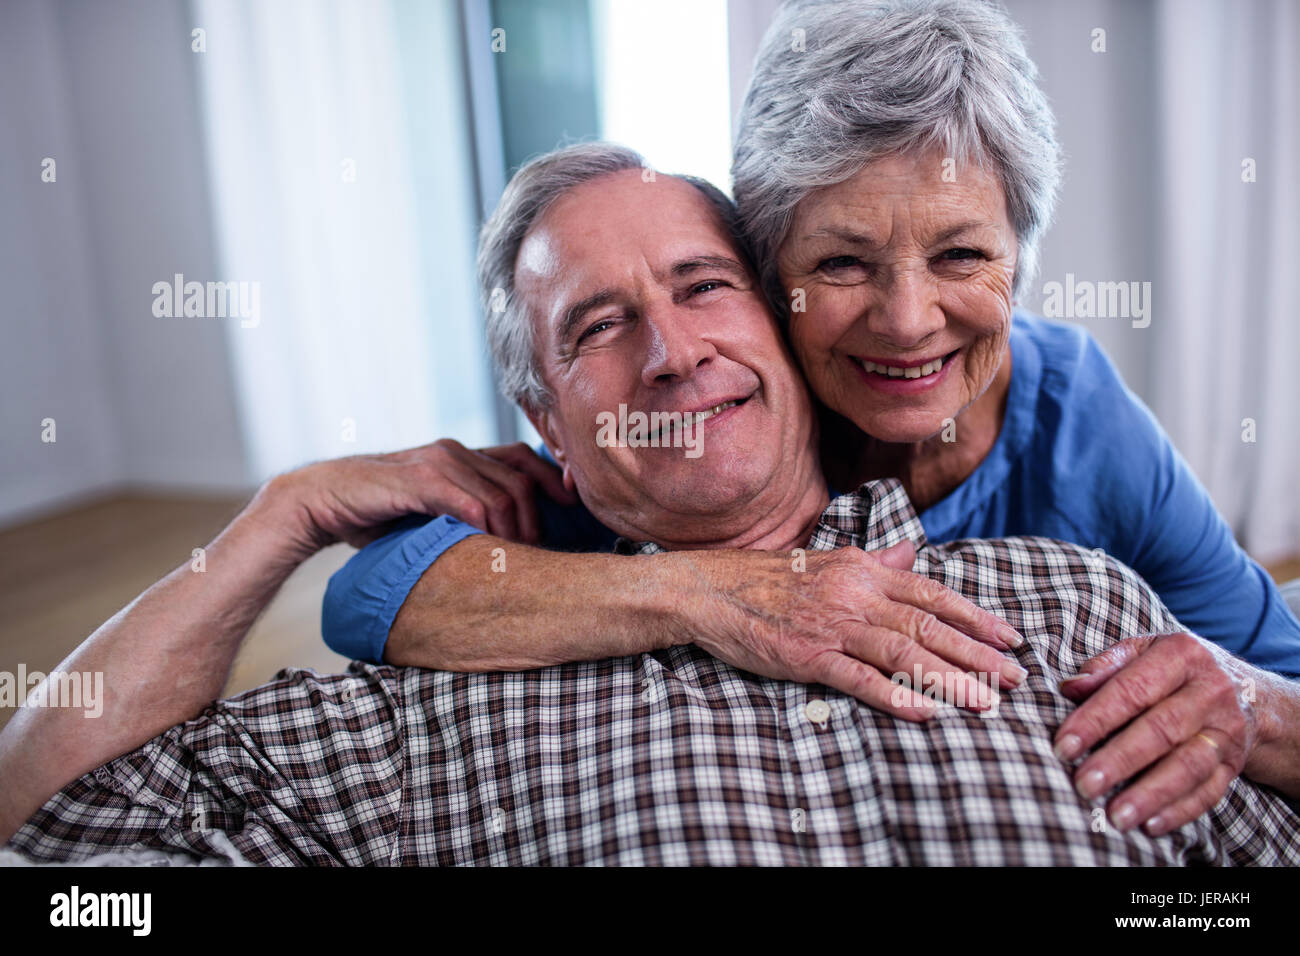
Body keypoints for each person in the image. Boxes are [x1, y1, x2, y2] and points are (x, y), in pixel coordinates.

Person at [3, 156, 1298, 864]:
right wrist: (277, 518)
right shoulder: (435, 703)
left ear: (792, 336)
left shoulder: (1073, 605)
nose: (672, 355)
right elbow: (59, 844)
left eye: (701, 288)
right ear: (547, 432)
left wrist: (1243, 714)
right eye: (601, 328)